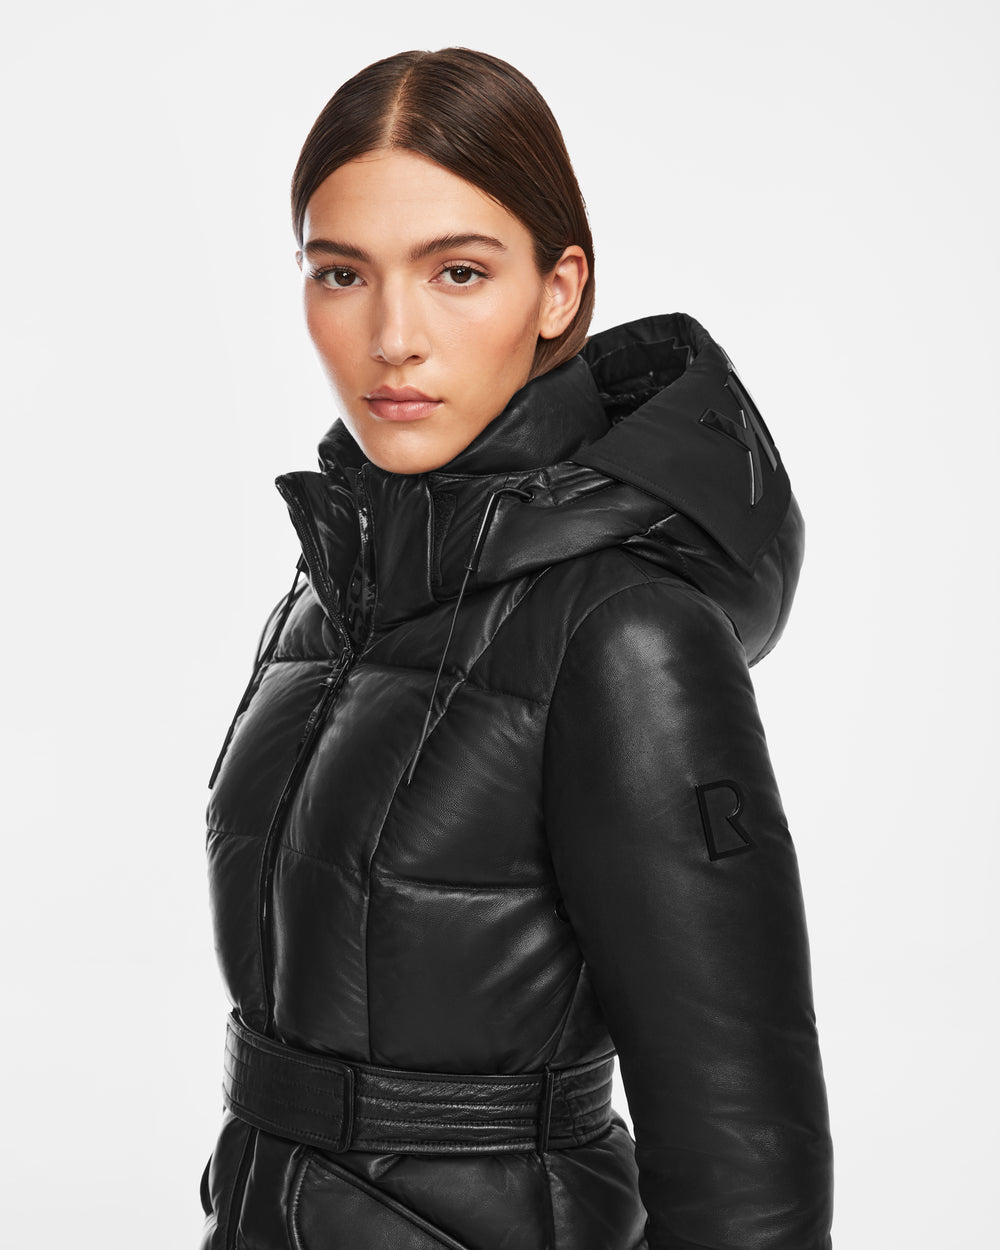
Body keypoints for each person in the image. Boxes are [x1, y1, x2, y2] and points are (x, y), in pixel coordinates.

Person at [198, 46, 835, 1250]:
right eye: (341, 272)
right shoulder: (335, 589)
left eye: (458, 271)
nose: (392, 336)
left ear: (556, 289)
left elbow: (744, 1156)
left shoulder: (625, 634)